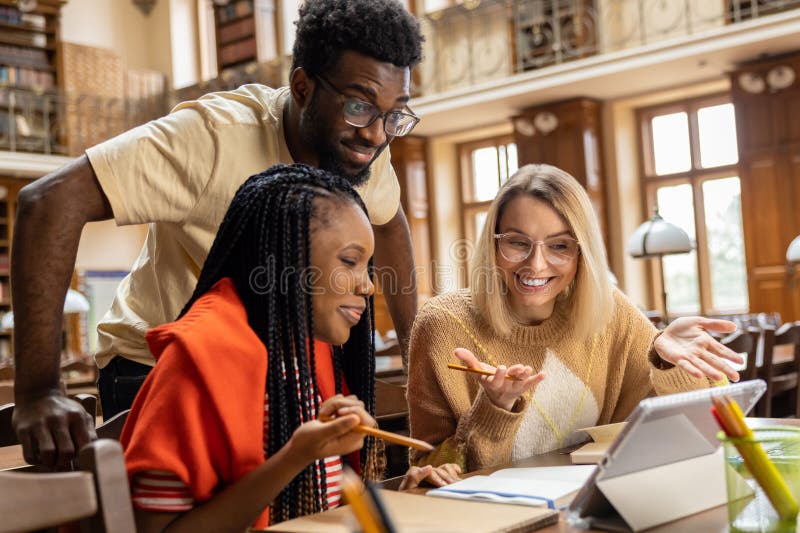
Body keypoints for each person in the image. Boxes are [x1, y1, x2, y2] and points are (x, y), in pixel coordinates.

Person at [12, 0, 424, 470]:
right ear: (303, 87)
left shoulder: (363, 144)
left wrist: (417, 355)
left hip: (265, 370)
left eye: (394, 116)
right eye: (358, 105)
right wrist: (39, 390)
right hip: (159, 371)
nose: (376, 134)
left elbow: (388, 221)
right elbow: (48, 203)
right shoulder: (210, 139)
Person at [122, 164, 459, 532]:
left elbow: (317, 504)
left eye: (368, 267)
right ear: (287, 260)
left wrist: (394, 503)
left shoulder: (310, 354)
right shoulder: (197, 360)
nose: (367, 286)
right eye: (350, 261)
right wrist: (294, 458)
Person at [406, 164, 743, 472]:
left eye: (560, 246)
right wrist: (493, 409)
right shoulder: (443, 324)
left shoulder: (609, 311)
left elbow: (700, 423)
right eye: (517, 242)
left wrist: (672, 365)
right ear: (493, 246)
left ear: (582, 252)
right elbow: (428, 466)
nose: (536, 265)